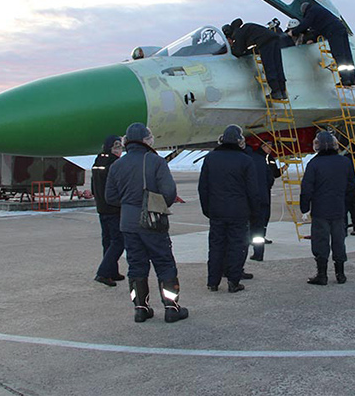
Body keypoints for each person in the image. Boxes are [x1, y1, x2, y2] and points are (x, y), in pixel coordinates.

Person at [105, 123, 188, 324]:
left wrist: (129, 205)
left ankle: (141, 309)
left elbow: (110, 197)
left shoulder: (117, 165)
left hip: (128, 224)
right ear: (146, 140)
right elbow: (168, 193)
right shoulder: (156, 162)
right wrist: (153, 203)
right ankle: (171, 308)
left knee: (136, 266)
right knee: (164, 263)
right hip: (153, 221)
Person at [198, 125, 260, 293]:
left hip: (217, 211)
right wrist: (254, 211)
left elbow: (203, 187)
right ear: (239, 141)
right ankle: (233, 281)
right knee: (237, 246)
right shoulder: (246, 160)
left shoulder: (210, 158)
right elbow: (252, 190)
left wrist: (207, 209)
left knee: (216, 246)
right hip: (239, 212)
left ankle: (213, 282)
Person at [299, 131, 355, 285]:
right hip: (338, 209)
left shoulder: (314, 164)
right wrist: (343, 201)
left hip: (320, 210)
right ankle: (340, 273)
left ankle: (322, 274)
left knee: (320, 241)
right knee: (339, 241)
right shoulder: (345, 162)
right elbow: (352, 186)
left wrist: (304, 207)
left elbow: (307, 188)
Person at [288, 2, 355, 86]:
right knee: (347, 55)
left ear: (304, 10)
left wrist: (293, 32)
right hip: (341, 29)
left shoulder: (312, 11)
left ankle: (345, 79)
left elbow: (305, 24)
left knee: (339, 55)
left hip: (333, 32)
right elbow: (319, 28)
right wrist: (313, 39)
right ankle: (352, 79)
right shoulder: (319, 11)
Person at [223, 18, 288, 100]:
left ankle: (276, 92)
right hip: (274, 39)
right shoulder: (245, 28)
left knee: (269, 66)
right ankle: (282, 91)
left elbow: (238, 51)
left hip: (265, 43)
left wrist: (232, 48)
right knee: (278, 66)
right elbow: (247, 48)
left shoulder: (238, 33)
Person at [92, 135, 125, 287]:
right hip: (113, 208)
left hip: (101, 207)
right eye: (119, 147)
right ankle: (104, 273)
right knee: (118, 241)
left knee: (107, 241)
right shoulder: (115, 163)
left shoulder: (98, 160)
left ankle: (112, 271)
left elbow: (94, 186)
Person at [248, 141, 281, 261]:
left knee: (247, 225)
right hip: (263, 197)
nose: (271, 149)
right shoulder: (262, 160)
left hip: (250, 198)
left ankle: (242, 250)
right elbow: (270, 177)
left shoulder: (248, 159)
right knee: (260, 226)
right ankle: (258, 253)